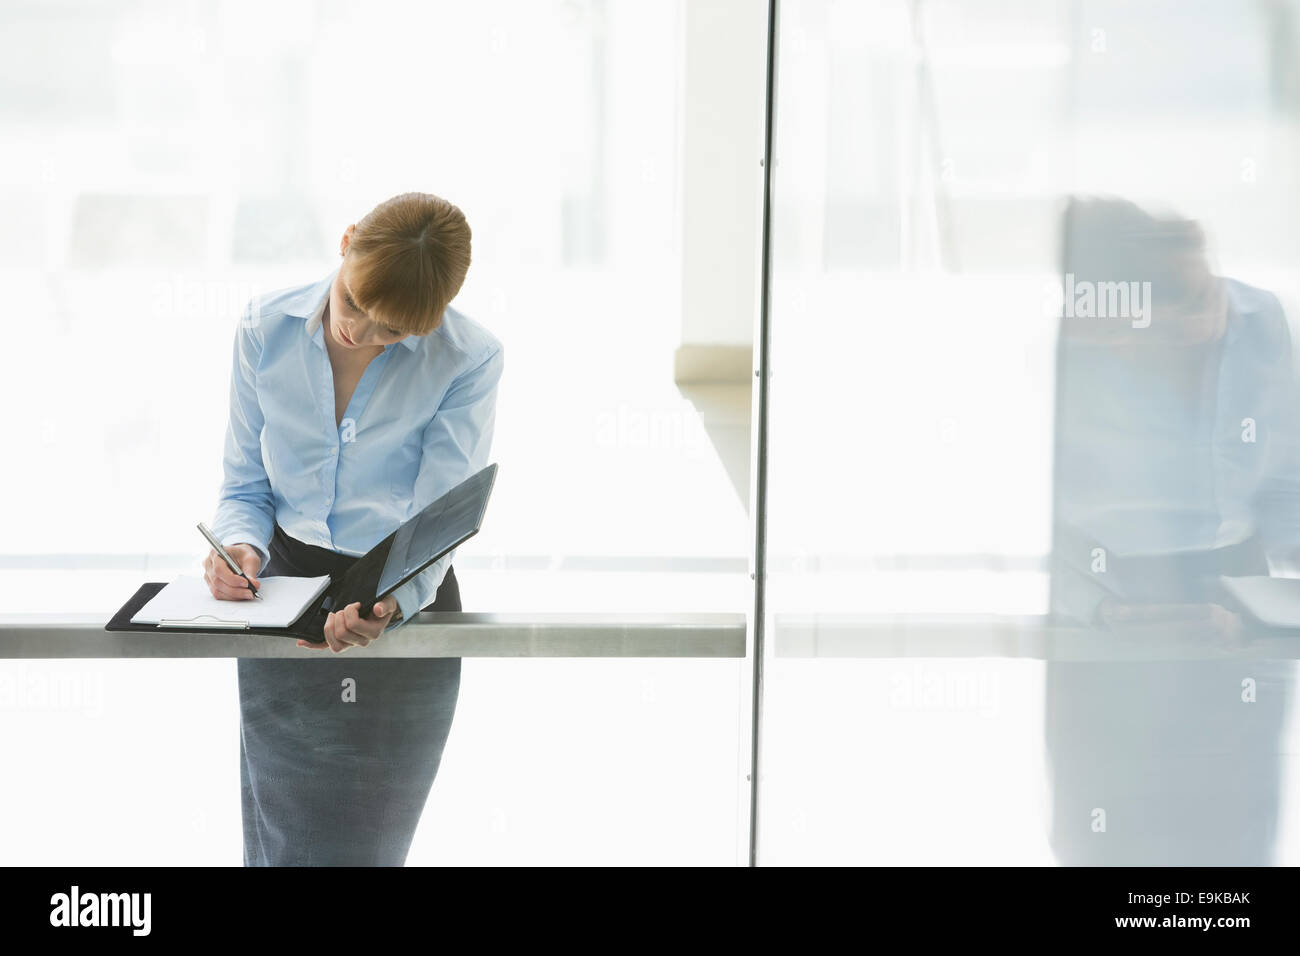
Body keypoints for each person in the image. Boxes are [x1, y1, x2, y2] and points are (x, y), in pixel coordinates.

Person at [204, 191, 504, 866]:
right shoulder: (264, 329)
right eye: (355, 307)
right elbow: (245, 485)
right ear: (345, 243)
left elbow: (440, 517)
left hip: (399, 596)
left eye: (392, 333)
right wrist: (242, 548)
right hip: (282, 598)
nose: (362, 335)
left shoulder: (468, 359)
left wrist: (389, 602)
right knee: (282, 837)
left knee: (366, 848)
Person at [1047, 196, 1298, 864]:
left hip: (1237, 592)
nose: (1196, 327)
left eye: (1199, 294)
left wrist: (1268, 617)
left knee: (1233, 843)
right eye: (1157, 315)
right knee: (1106, 837)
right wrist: (1097, 608)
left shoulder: (1261, 320)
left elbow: (1287, 491)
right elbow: (1021, 519)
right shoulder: (1069, 348)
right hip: (1103, 592)